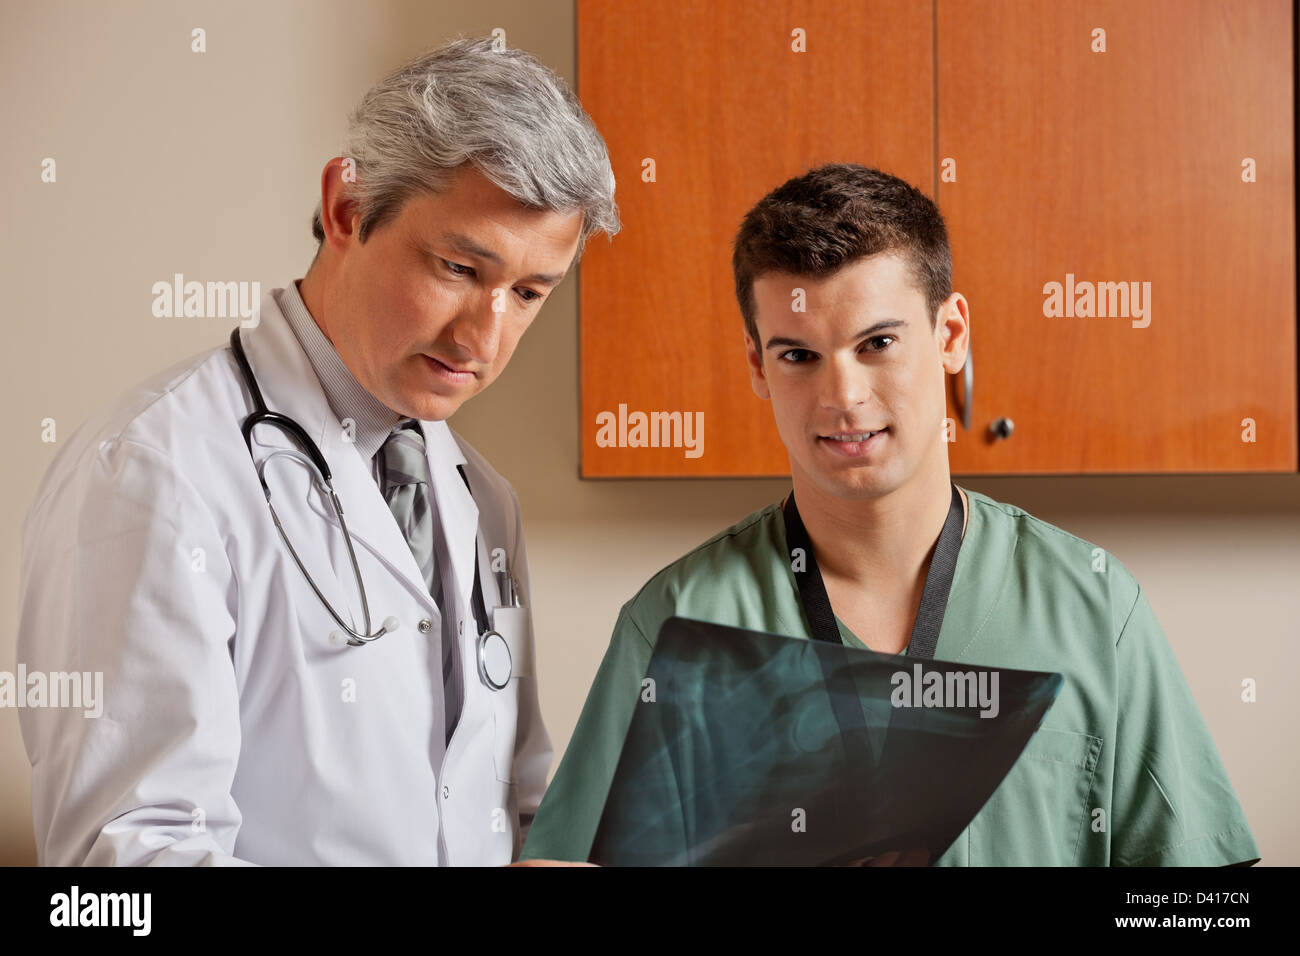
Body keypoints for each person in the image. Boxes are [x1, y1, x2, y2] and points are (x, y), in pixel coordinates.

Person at [520, 163, 1259, 866]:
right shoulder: (676, 624)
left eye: (877, 343)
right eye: (798, 356)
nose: (842, 396)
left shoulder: (1096, 608)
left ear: (951, 335)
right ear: (757, 367)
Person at [17, 36, 619, 866]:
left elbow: (506, 798)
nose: (486, 335)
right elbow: (121, 869)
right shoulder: (155, 470)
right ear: (347, 208)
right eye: (456, 266)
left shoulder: (481, 499)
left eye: (528, 293)